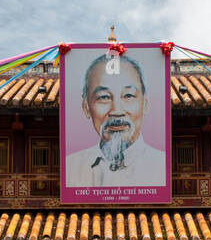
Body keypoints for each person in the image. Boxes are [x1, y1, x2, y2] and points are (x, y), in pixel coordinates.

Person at [65, 53, 167, 188]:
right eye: (104, 97)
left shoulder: (164, 166)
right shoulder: (70, 167)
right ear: (86, 107)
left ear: (145, 104)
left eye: (128, 95)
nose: (117, 111)